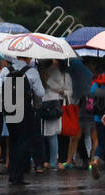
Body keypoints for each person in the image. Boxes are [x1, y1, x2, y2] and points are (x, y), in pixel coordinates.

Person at [6, 56, 44, 186]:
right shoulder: (32, 72)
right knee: (23, 141)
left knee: (12, 141)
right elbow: (41, 92)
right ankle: (19, 175)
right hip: (25, 111)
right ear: (28, 57)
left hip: (9, 110)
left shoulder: (6, 70)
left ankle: (11, 173)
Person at [39, 60, 70, 173]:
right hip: (45, 103)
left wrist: (48, 82)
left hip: (53, 104)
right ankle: (47, 160)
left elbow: (63, 91)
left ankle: (52, 161)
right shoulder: (42, 74)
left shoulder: (56, 74)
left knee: (51, 135)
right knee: (45, 134)